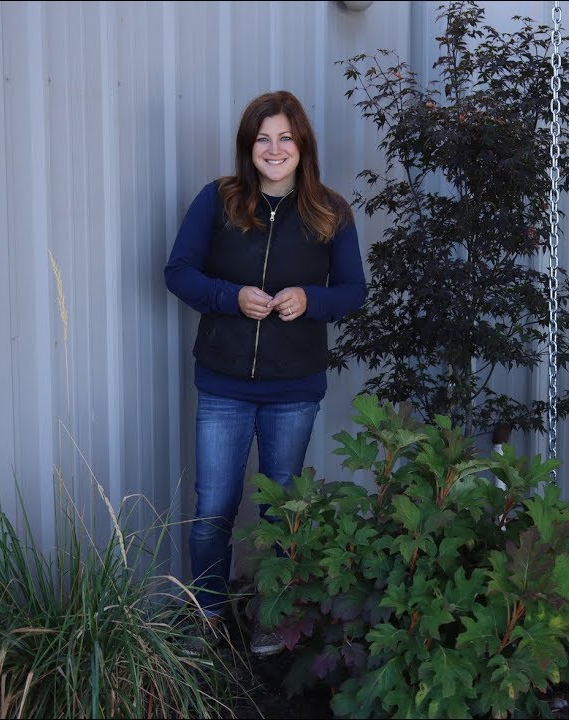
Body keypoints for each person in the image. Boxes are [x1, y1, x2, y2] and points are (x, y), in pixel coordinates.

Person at [164, 90, 367, 656]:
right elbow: (177, 272)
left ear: (302, 145)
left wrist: (310, 298)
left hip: (293, 388)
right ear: (247, 146)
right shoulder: (219, 201)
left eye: (285, 137)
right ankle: (206, 612)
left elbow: (354, 291)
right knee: (213, 510)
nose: (274, 149)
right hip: (224, 384)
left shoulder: (330, 210)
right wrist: (229, 297)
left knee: (282, 511)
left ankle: (273, 615)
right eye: (262, 138)